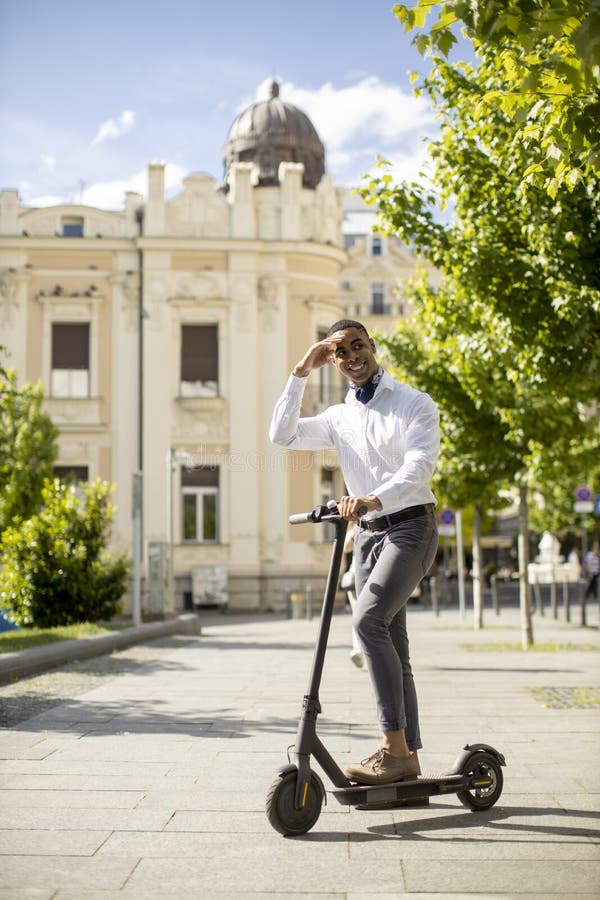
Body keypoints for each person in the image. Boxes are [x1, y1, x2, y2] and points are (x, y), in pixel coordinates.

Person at [269, 319, 439, 786]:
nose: (350, 356)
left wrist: (372, 497)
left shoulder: (413, 403)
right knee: (392, 643)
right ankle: (408, 758)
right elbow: (281, 436)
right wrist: (301, 370)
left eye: (357, 345)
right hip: (367, 536)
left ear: (373, 346)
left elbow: (419, 465)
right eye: (339, 352)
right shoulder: (338, 417)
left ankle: (394, 750)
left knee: (367, 623)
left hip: (409, 526)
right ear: (334, 361)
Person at [341, 523, 364, 669]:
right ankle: (358, 651)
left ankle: (362, 651)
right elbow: (345, 548)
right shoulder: (353, 527)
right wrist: (355, 533)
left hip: (376, 574)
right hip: (356, 575)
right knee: (358, 615)